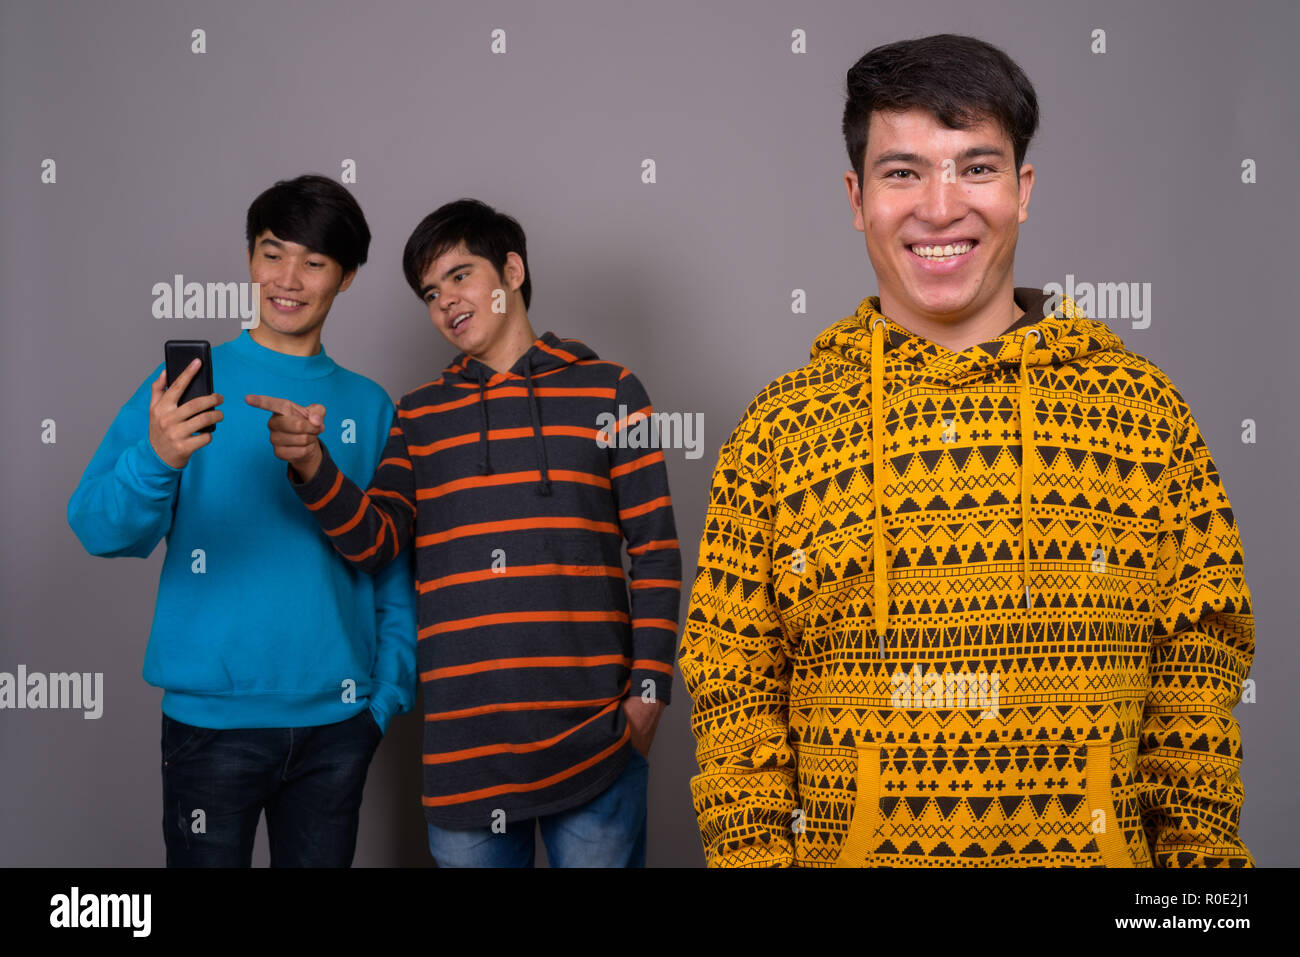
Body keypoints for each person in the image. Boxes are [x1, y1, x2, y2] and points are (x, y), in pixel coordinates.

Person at [679, 34, 1255, 868]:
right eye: (903, 171)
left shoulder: (1144, 412)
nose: (940, 207)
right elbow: (734, 697)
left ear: (1022, 191)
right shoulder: (778, 433)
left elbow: (1198, 682)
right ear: (856, 196)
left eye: (976, 168)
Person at [247, 198, 681, 867]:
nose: (445, 301)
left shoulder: (613, 392)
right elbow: (374, 541)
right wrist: (311, 463)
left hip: (596, 743)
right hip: (464, 755)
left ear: (510, 269)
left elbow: (656, 553)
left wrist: (649, 695)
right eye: (429, 291)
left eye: (459, 275)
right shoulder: (418, 416)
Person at [67, 174, 417, 867]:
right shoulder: (180, 392)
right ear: (250, 259)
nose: (287, 278)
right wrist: (158, 457)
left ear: (345, 278)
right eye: (270, 252)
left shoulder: (371, 406)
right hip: (210, 727)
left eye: (313, 261)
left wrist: (384, 700)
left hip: (337, 725)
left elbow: (394, 567)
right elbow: (97, 528)